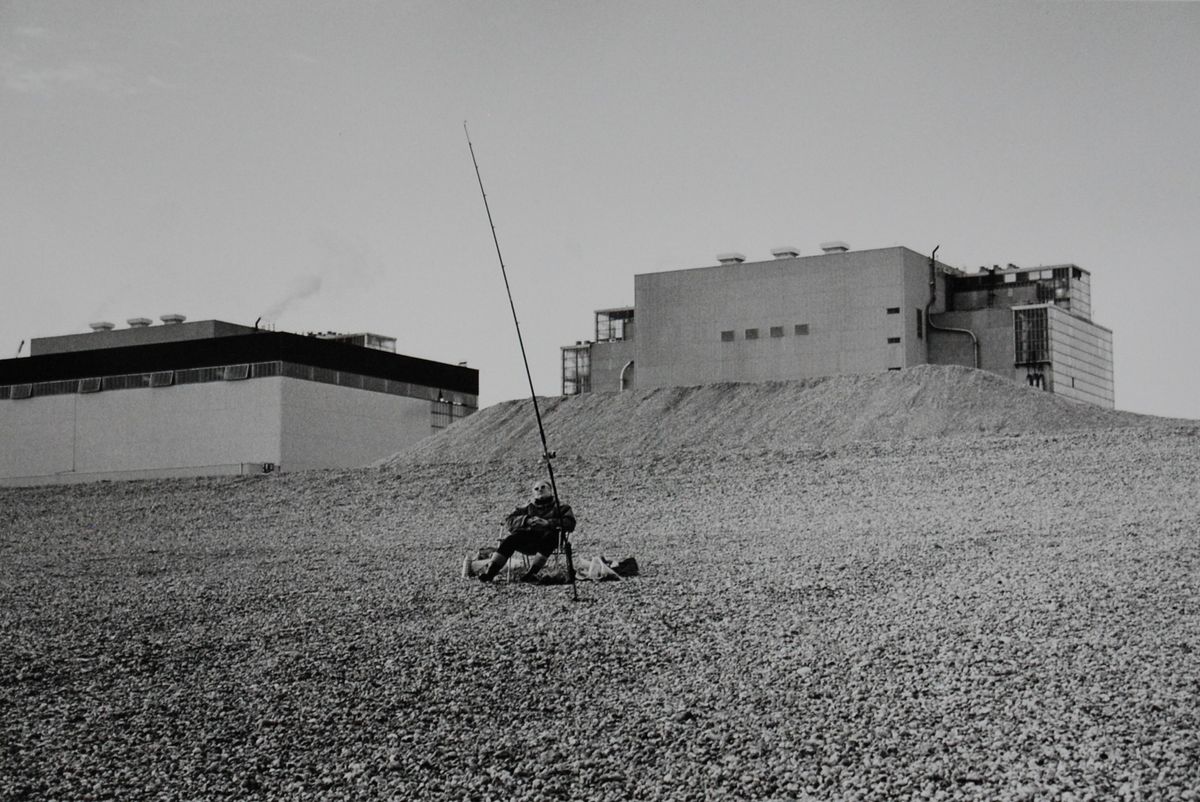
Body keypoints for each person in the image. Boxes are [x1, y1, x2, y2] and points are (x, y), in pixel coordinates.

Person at [473, 479, 576, 584]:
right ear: (533, 493)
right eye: (536, 488)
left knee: (550, 536)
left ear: (550, 490)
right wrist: (526, 520)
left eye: (543, 487)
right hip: (529, 540)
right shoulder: (527, 507)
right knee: (510, 539)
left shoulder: (562, 507)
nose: (540, 490)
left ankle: (531, 574)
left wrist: (548, 523)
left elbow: (570, 523)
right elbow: (509, 521)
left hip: (550, 540)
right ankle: (490, 573)